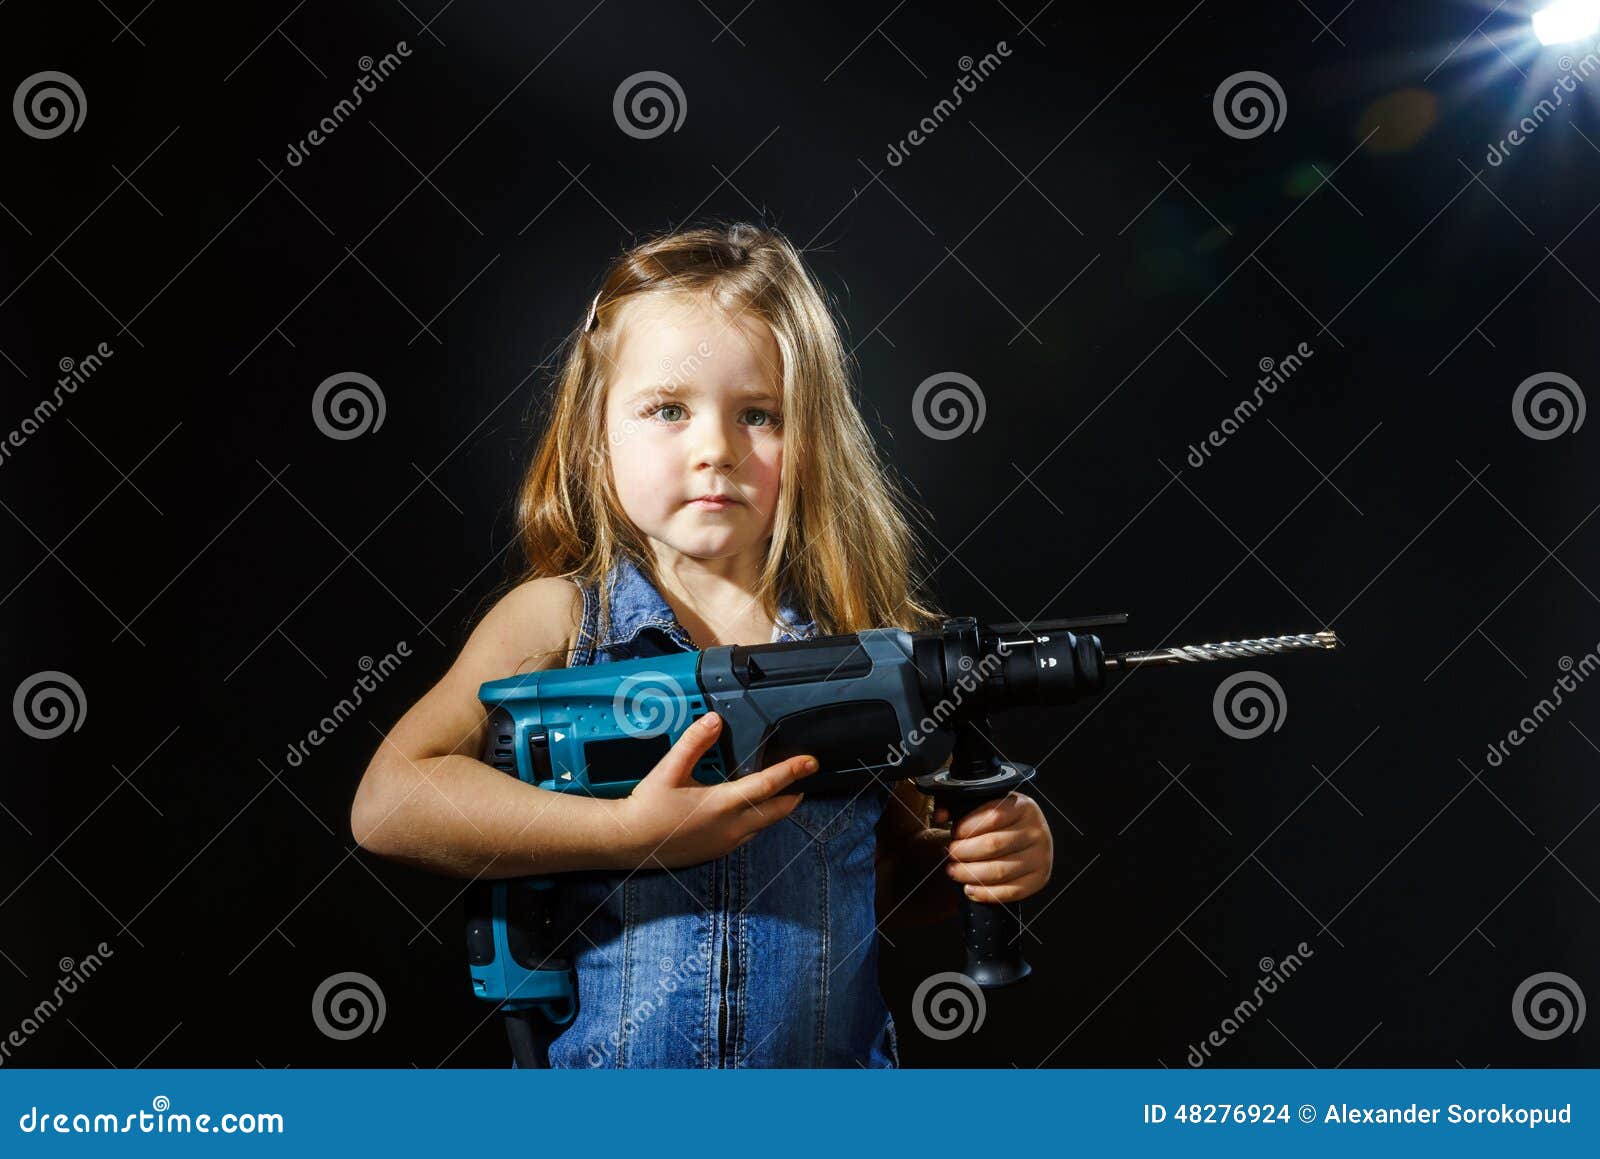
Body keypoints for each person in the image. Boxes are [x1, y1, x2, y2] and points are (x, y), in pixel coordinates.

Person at [350, 221, 1054, 1067]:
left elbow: (891, 883)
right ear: (594, 433)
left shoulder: (864, 637)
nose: (716, 448)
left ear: (814, 436)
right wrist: (628, 834)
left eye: (759, 415)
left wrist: (985, 855)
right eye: (668, 410)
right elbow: (389, 803)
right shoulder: (554, 624)